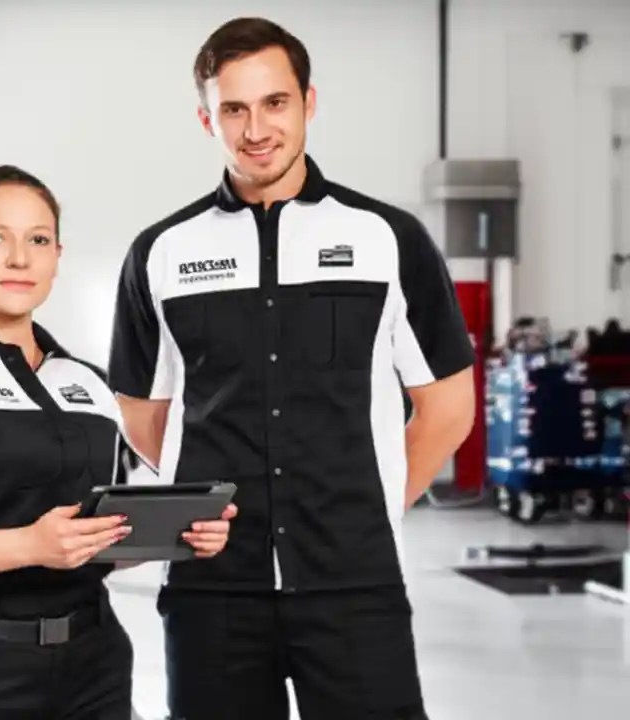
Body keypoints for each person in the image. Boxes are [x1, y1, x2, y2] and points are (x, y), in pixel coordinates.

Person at [108, 17, 476, 720]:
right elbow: (142, 414)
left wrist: (370, 505)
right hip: (211, 587)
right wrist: (203, 506)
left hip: (355, 586)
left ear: (308, 102)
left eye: (274, 103)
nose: (255, 129)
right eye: (233, 109)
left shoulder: (387, 239)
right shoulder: (160, 252)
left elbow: (449, 407)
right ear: (205, 118)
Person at [0, 165, 237, 719]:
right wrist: (31, 545)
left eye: (37, 240)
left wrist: (182, 532)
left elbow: (97, 535)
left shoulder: (89, 382)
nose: (19, 258)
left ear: (57, 255)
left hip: (95, 663)